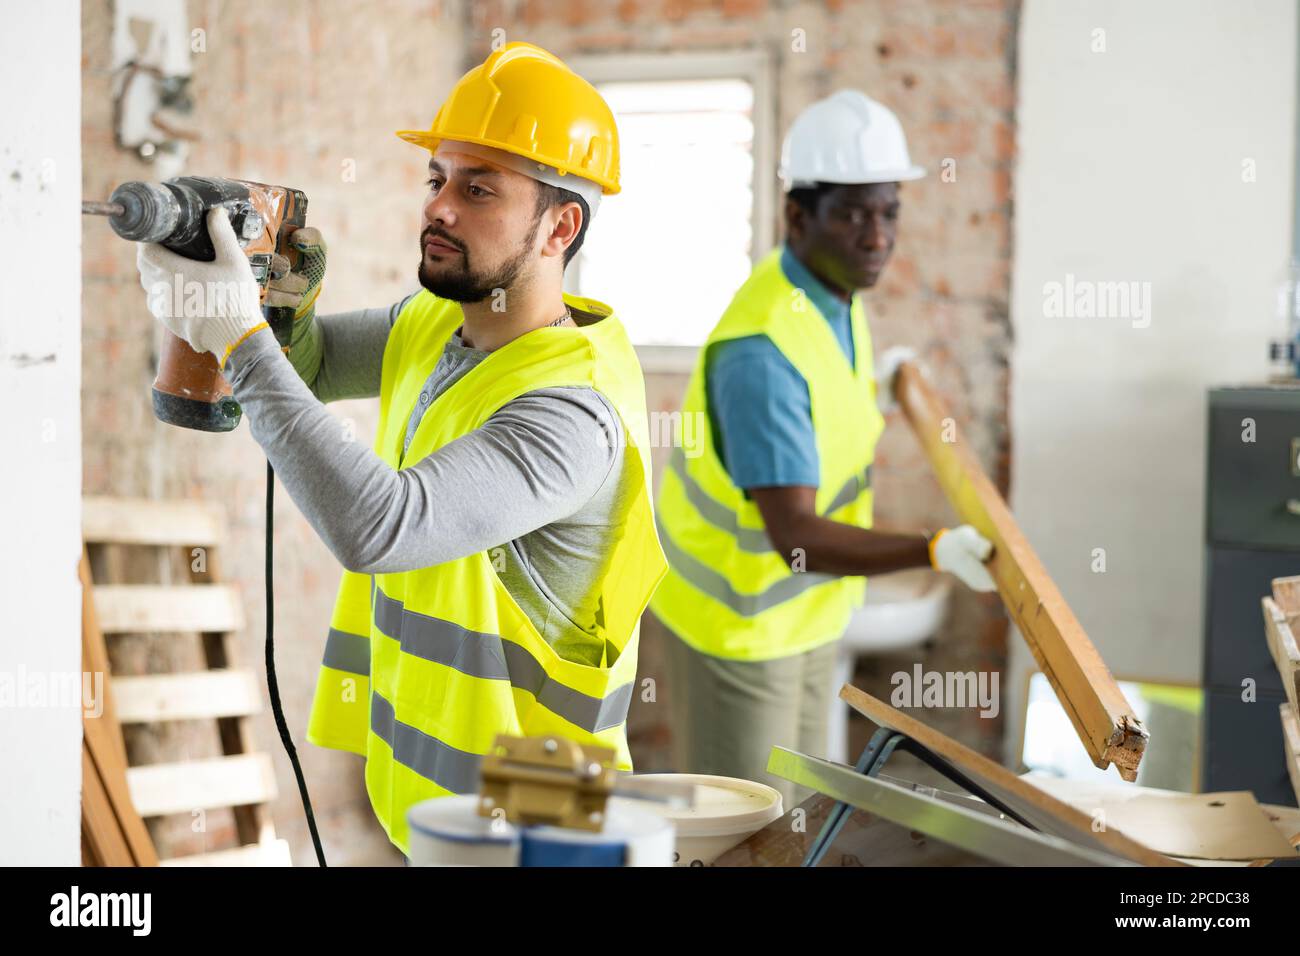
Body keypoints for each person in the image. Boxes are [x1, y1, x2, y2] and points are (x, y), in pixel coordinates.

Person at [135, 42, 667, 856]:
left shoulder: (573, 412)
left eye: (478, 187)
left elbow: (383, 527)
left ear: (561, 225)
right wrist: (280, 306)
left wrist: (240, 335)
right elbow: (305, 371)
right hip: (437, 806)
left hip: (544, 823)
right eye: (438, 179)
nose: (439, 208)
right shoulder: (437, 323)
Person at [650, 90, 996, 807]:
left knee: (800, 819)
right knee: (744, 836)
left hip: (808, 617)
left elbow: (825, 419)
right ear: (799, 217)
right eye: (853, 214)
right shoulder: (763, 351)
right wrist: (932, 549)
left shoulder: (837, 298)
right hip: (736, 632)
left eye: (889, 211)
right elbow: (795, 534)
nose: (878, 237)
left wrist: (879, 381)